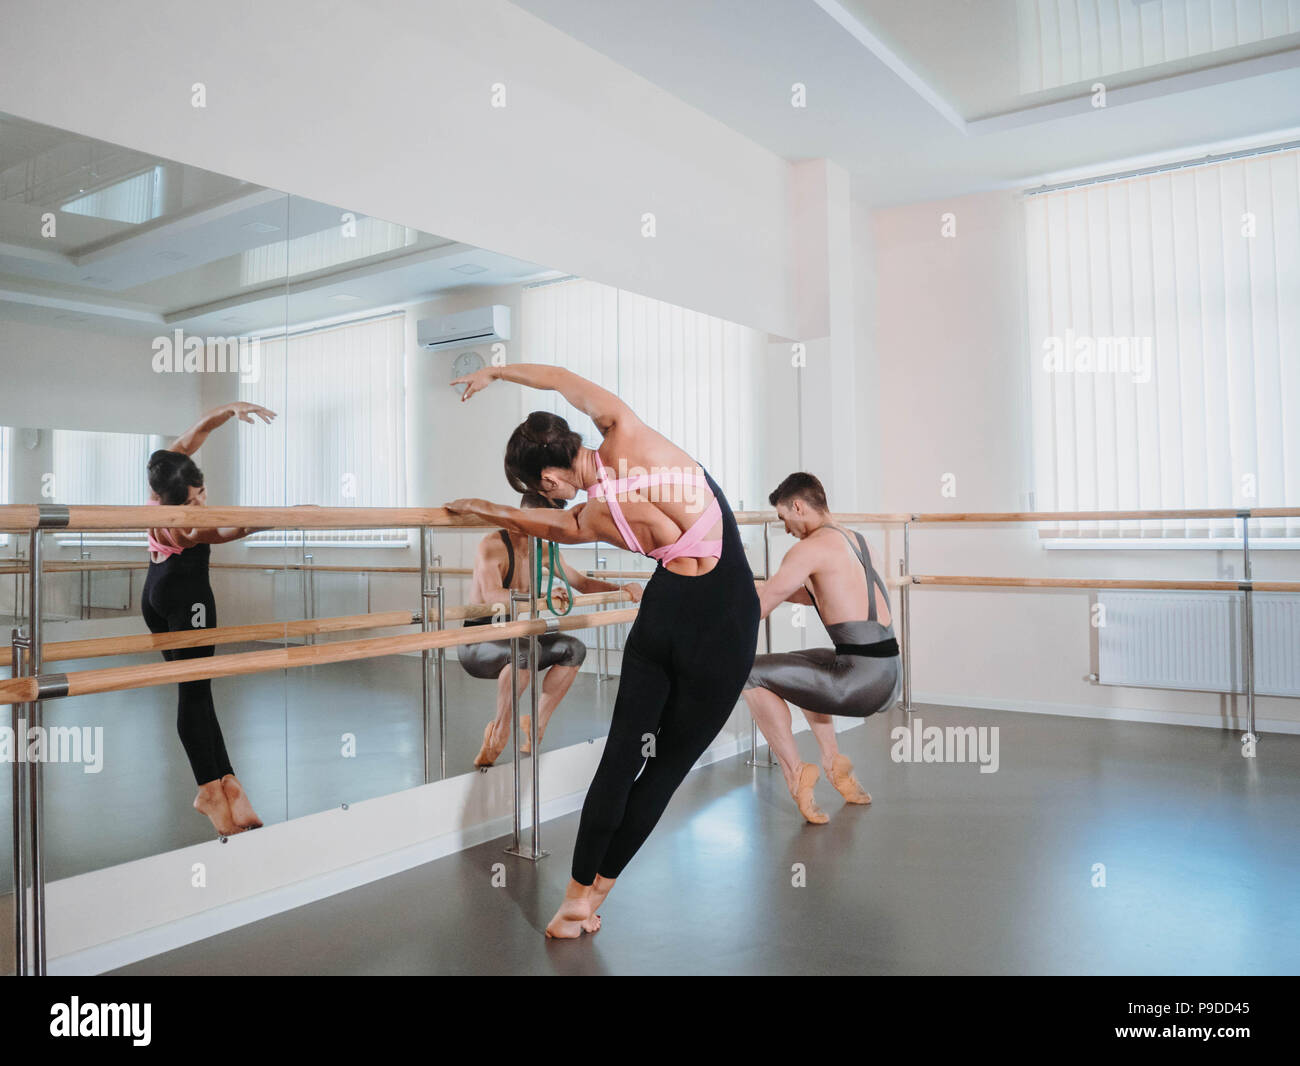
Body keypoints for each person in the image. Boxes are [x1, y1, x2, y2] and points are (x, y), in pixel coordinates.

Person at [445, 363, 760, 938]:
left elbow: (542, 525)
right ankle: (593, 901)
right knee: (662, 771)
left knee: (621, 760)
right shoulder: (625, 432)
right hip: (722, 622)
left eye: (538, 487)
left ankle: (571, 902)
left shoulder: (588, 515)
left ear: (547, 480)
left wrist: (487, 511)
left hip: (662, 618)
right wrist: (499, 371)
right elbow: (564, 379)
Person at [143, 401, 275, 837]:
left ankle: (228, 781)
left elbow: (194, 435)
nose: (201, 502)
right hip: (187, 596)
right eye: (194, 500)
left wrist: (227, 411)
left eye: (202, 494)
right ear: (172, 502)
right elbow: (220, 531)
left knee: (199, 690)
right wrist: (261, 524)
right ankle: (209, 788)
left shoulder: (166, 475)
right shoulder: (183, 523)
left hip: (155, 592)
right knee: (195, 694)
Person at [742, 472, 900, 824]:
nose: (785, 529)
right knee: (806, 663)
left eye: (784, 518)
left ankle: (796, 776)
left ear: (798, 506)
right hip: (887, 674)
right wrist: (749, 586)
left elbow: (759, 609)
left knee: (749, 673)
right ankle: (834, 763)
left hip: (859, 682)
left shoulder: (807, 549)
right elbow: (818, 595)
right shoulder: (858, 541)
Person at [461, 491, 644, 767]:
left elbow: (580, 582)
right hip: (480, 640)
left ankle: (535, 722)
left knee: (574, 649)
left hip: (521, 634)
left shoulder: (544, 549)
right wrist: (543, 600)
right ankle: (498, 733)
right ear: (526, 517)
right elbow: (493, 596)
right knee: (525, 651)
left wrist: (621, 590)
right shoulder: (492, 545)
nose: (552, 529)